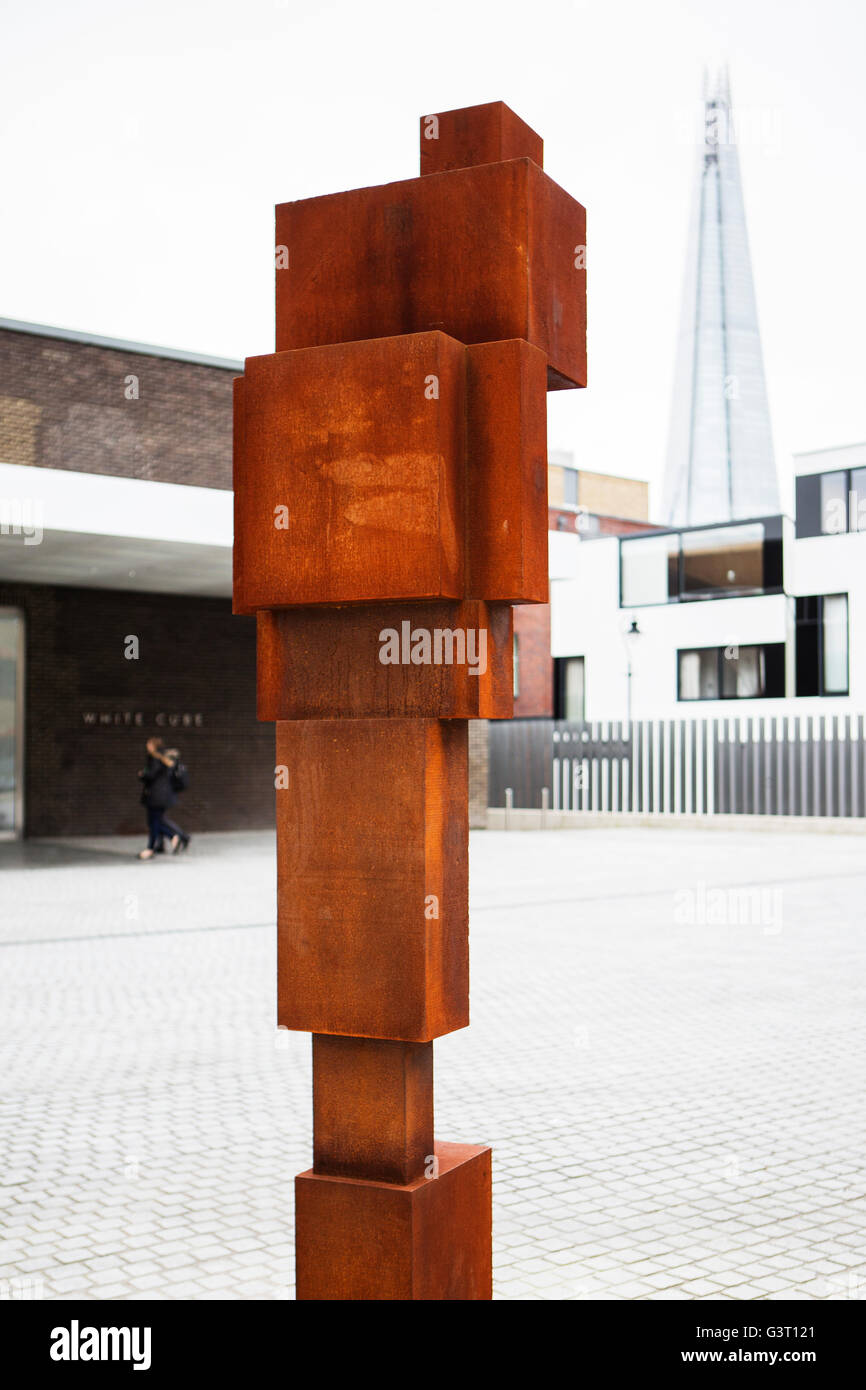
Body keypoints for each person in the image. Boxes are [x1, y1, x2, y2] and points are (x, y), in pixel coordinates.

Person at [137, 737, 191, 860]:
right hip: (165, 795)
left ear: (153, 746)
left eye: (149, 744)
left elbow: (150, 775)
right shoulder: (166, 759)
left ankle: (172, 838)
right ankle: (161, 844)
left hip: (155, 796)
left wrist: (142, 775)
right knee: (157, 820)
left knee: (154, 822)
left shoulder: (155, 759)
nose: (147, 746)